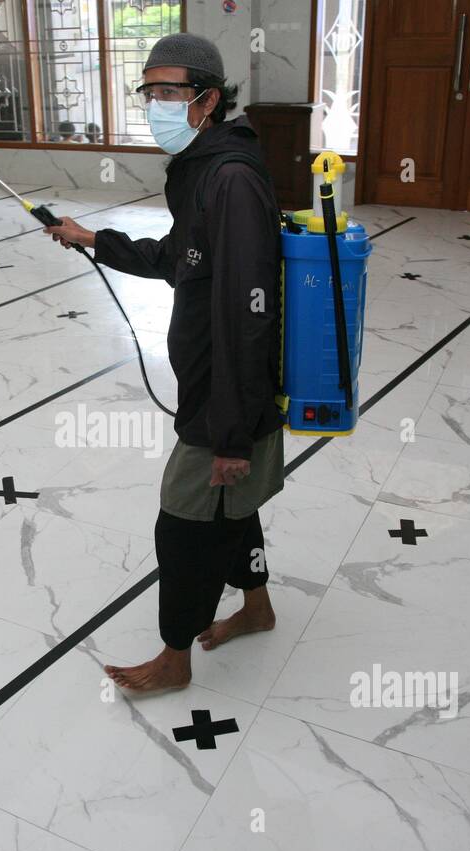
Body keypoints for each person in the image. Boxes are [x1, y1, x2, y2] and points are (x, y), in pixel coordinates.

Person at [43, 33, 284, 691]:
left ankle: (174, 660)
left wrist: (230, 433)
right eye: (148, 92)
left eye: (169, 92)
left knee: (183, 523)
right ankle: (257, 608)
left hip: (228, 396)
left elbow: (249, 313)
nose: (156, 104)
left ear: (207, 99)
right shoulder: (203, 168)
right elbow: (181, 260)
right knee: (235, 506)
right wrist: (94, 239)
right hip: (224, 389)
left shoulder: (229, 179)